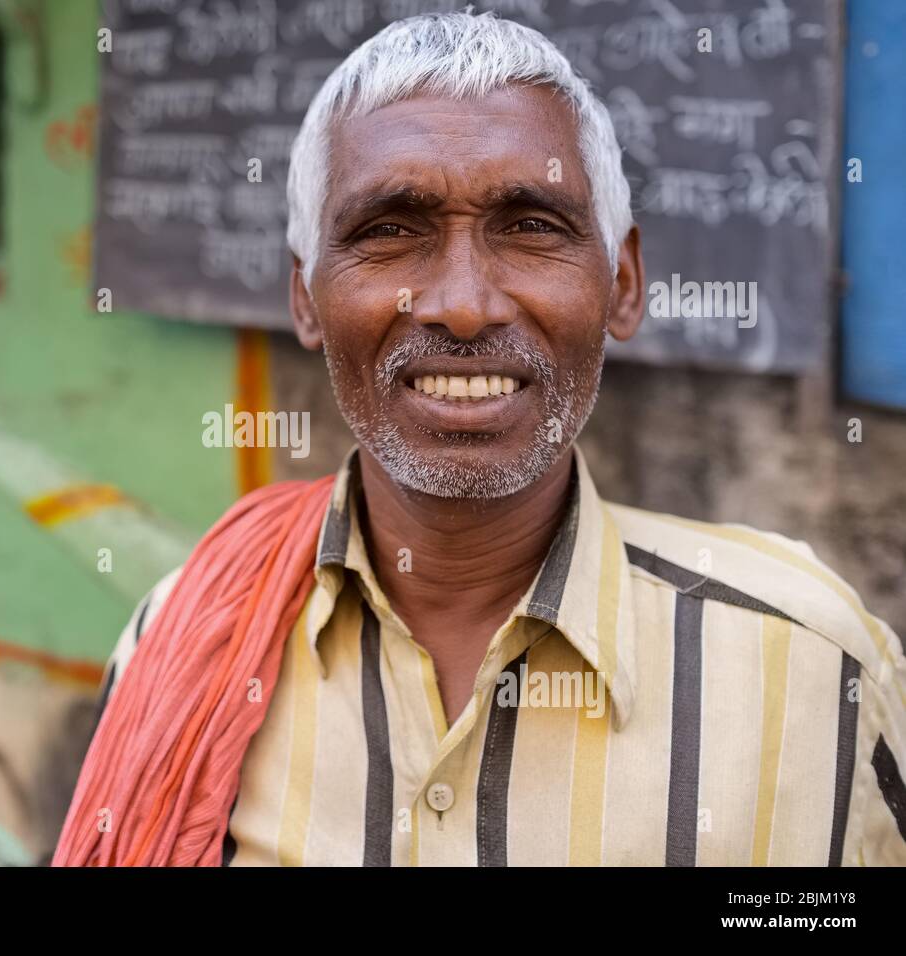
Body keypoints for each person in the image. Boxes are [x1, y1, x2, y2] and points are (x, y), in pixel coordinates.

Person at [54, 10, 906, 867]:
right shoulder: (187, 638)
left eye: (532, 226)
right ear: (307, 298)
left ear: (622, 282)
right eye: (389, 230)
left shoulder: (812, 669)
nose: (463, 305)